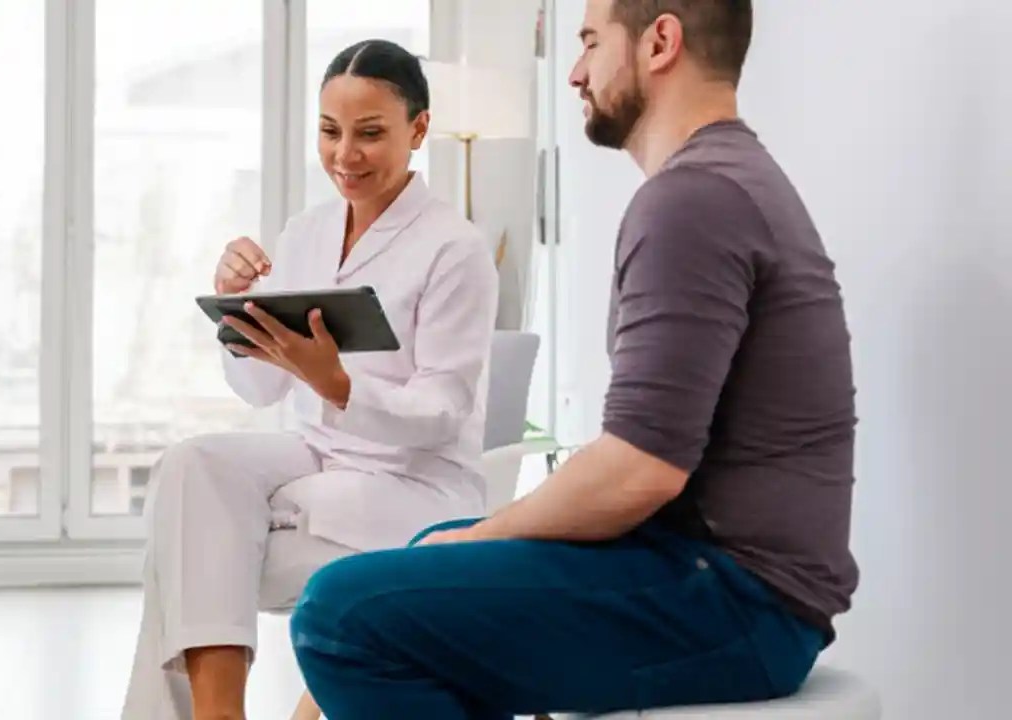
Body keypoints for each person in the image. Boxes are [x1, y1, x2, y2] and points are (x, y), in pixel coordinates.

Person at [290, 1, 860, 718]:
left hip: (735, 598)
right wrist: (464, 542)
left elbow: (639, 470)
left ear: (660, 42)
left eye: (590, 42)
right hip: (724, 577)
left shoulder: (693, 200)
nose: (575, 72)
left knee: (338, 616)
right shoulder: (723, 181)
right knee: (428, 549)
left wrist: (484, 532)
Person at [121, 39, 499, 720]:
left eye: (370, 133)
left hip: (414, 484)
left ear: (418, 129)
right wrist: (237, 309)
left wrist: (339, 387)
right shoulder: (307, 231)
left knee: (184, 558)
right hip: (319, 457)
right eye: (330, 131)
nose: (344, 155)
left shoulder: (455, 248)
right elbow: (261, 390)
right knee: (190, 465)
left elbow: (443, 411)